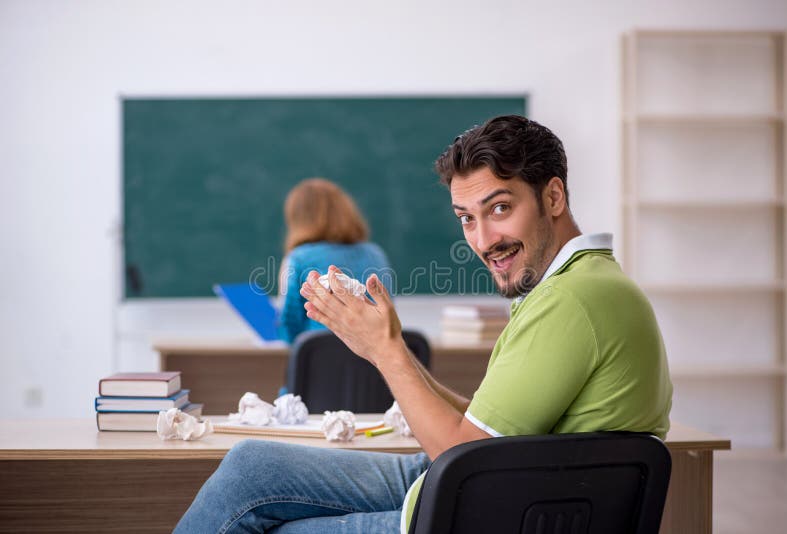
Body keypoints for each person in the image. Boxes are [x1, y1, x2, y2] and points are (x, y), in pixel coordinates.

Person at [174, 115, 672, 534]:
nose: (483, 240)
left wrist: (386, 351)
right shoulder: (576, 286)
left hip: (481, 509)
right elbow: (486, 427)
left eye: (500, 208)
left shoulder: (571, 300)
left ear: (554, 196)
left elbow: (467, 459)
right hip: (502, 485)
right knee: (251, 465)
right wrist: (385, 346)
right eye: (466, 219)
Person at [277, 177, 392, 344]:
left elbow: (289, 328)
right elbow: (387, 316)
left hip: (318, 361)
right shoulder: (376, 254)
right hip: (376, 363)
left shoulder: (298, 258)